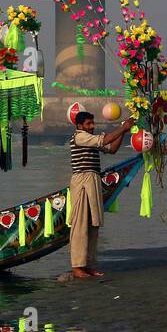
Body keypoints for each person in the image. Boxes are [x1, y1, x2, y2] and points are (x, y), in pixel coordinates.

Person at [67, 110, 134, 279]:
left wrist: (123, 131)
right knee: (80, 225)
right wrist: (122, 128)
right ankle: (77, 267)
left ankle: (89, 265)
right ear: (79, 126)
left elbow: (112, 149)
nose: (92, 126)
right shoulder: (79, 137)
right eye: (89, 124)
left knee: (93, 224)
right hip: (82, 181)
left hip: (93, 180)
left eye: (92, 123)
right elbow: (105, 140)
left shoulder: (91, 139)